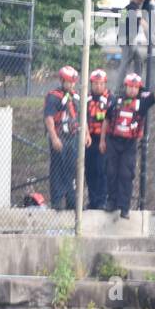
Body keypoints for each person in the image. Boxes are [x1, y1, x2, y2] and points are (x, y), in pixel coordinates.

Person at [104, 71, 155, 219]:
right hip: (112, 142)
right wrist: (102, 140)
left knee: (126, 174)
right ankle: (111, 202)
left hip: (129, 144)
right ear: (125, 87)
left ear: (139, 88)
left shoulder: (142, 102)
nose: (132, 89)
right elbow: (106, 120)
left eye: (135, 87)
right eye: (130, 86)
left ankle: (124, 207)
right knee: (111, 172)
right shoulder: (115, 101)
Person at [43, 66, 82, 210]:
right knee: (57, 170)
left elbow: (81, 117)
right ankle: (57, 203)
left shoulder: (76, 97)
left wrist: (86, 134)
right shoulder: (54, 96)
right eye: (68, 82)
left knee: (72, 170)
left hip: (73, 138)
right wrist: (54, 138)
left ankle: (72, 203)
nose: (71, 84)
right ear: (62, 80)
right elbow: (49, 118)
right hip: (60, 138)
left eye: (73, 82)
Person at [84, 68, 110, 210]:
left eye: (100, 84)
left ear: (105, 84)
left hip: (103, 139)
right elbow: (82, 119)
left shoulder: (110, 100)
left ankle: (102, 200)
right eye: (95, 84)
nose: (98, 86)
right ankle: (93, 200)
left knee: (102, 170)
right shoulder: (86, 100)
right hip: (89, 139)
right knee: (90, 170)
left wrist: (104, 139)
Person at [118, 0, 150, 84]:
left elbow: (121, 23)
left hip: (123, 39)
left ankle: (137, 83)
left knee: (138, 60)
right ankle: (118, 89)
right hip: (128, 41)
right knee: (124, 65)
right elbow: (142, 22)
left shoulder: (125, 8)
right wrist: (151, 34)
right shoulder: (134, 8)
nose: (143, 1)